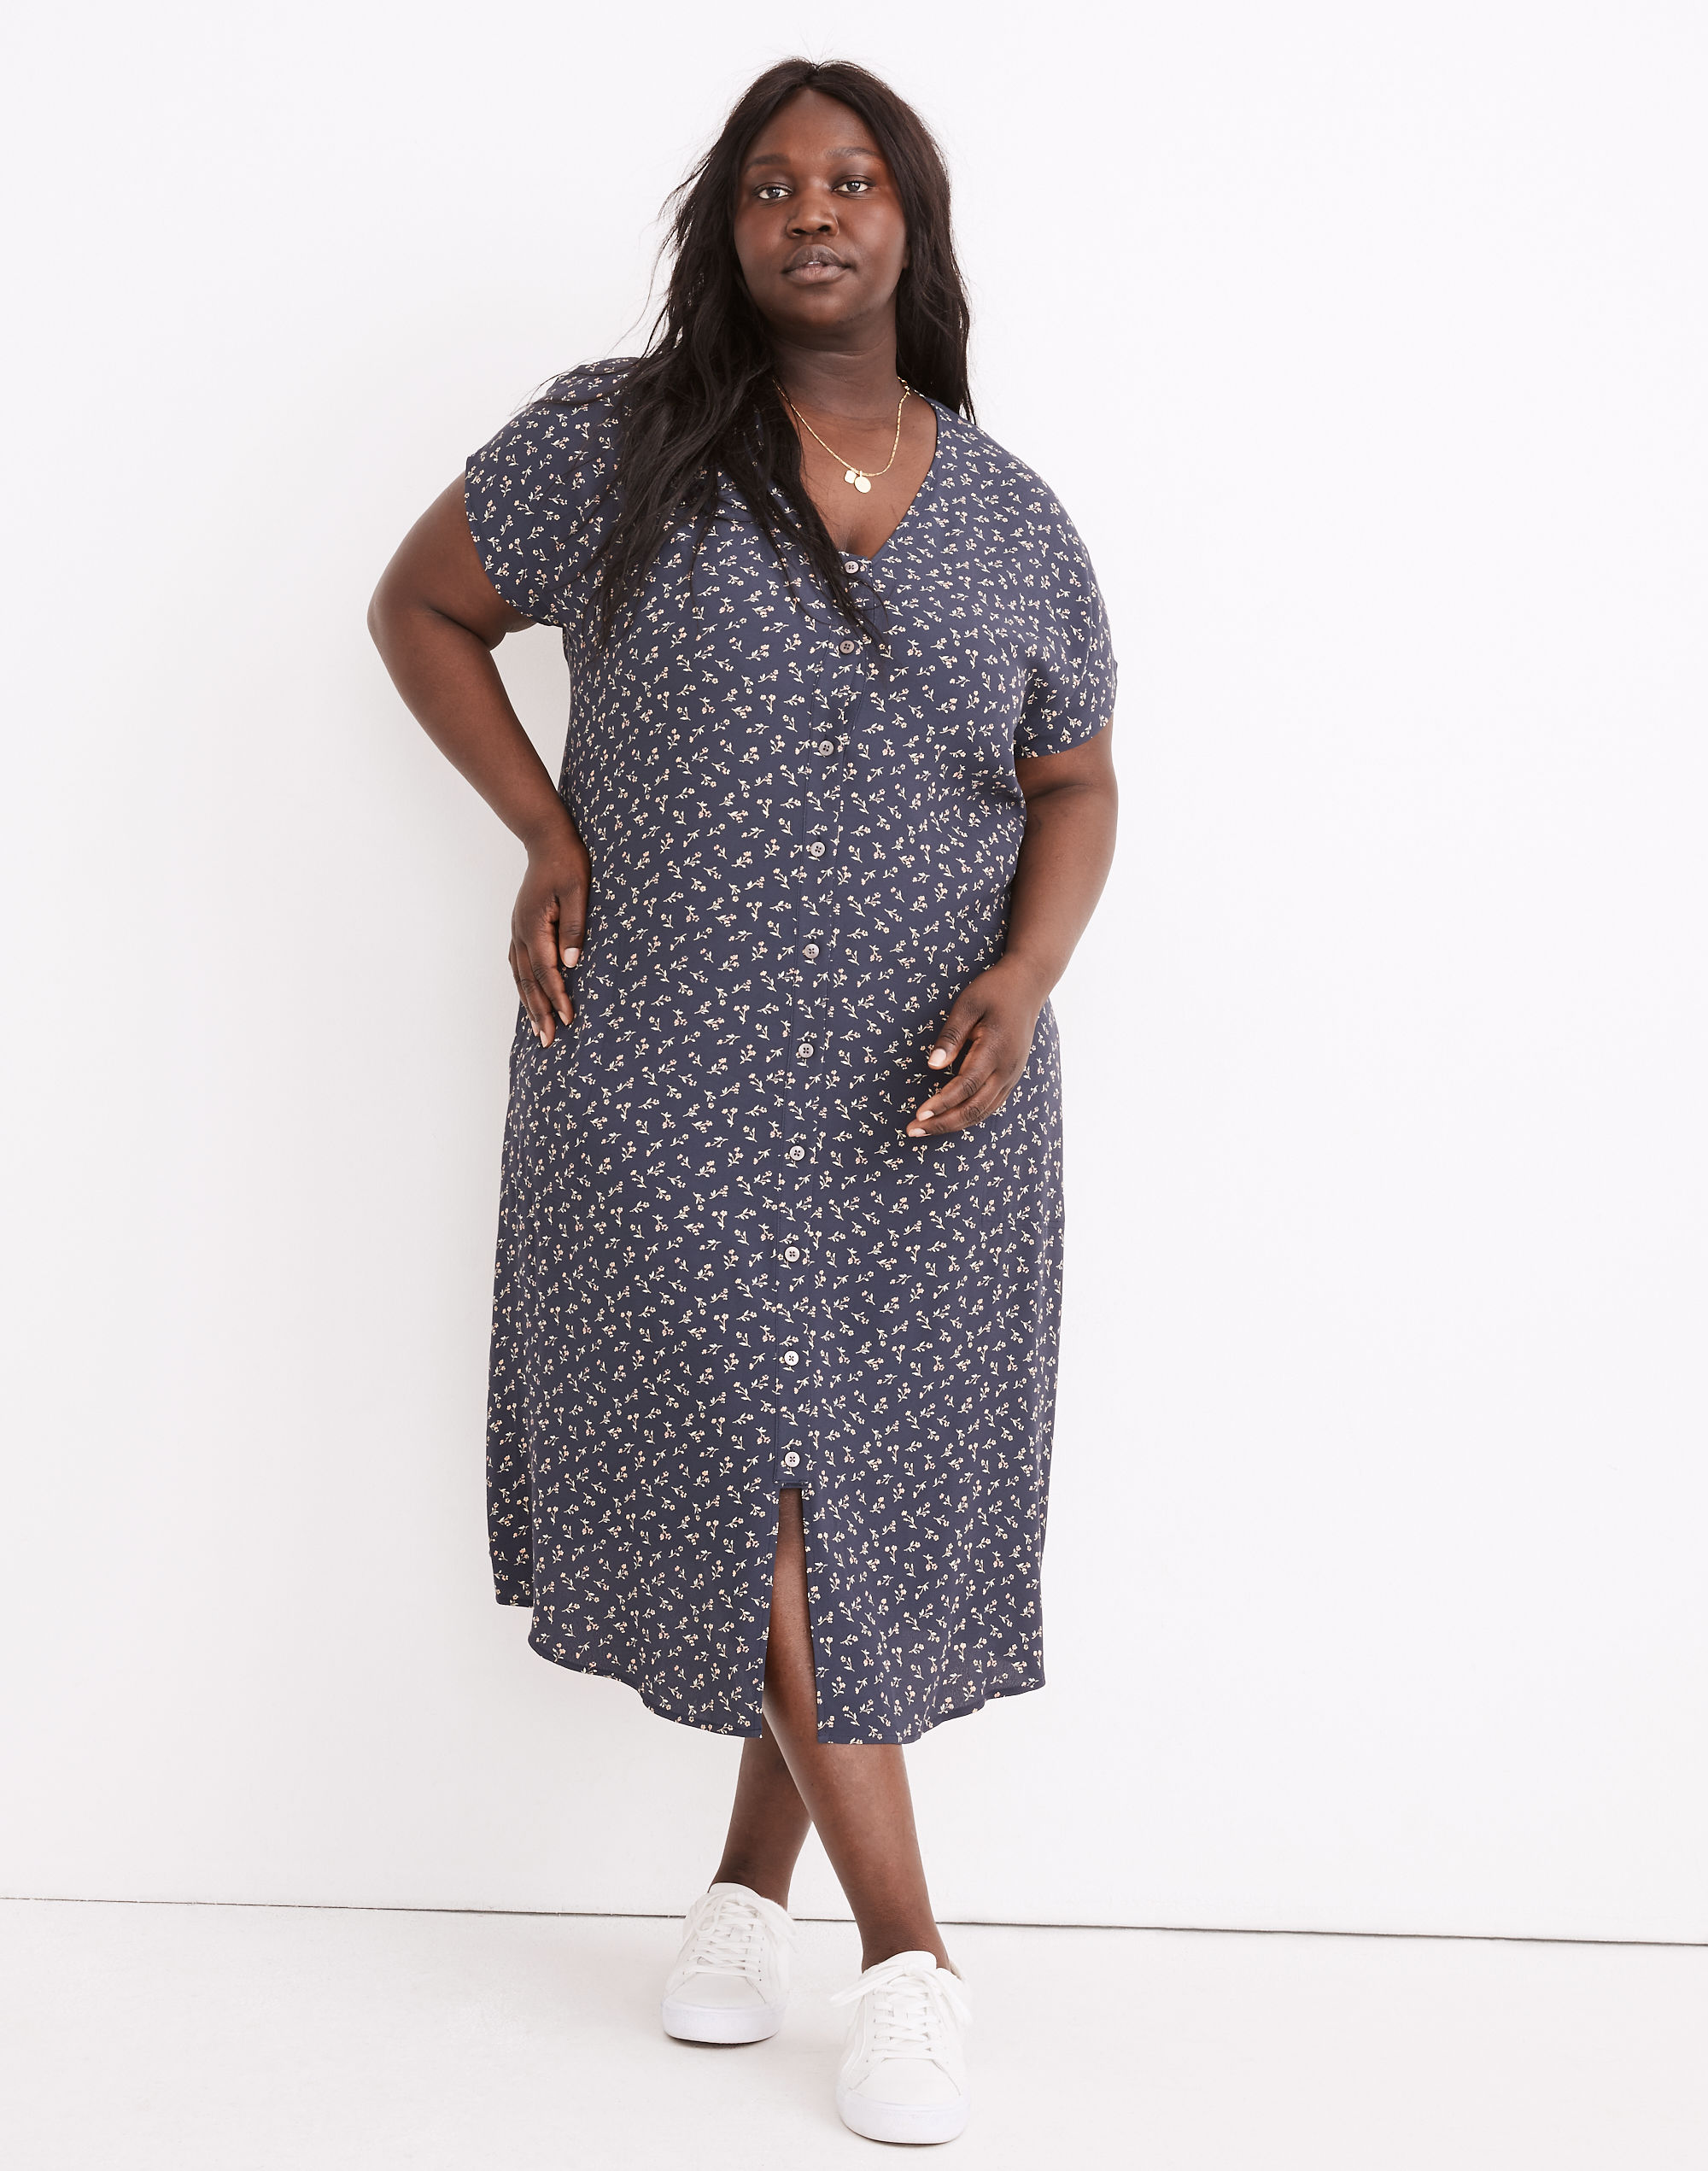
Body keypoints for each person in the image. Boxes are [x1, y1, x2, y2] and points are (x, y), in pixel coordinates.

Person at [368, 56, 1117, 2147]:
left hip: (931, 1095)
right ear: (728, 228)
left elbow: (1074, 778)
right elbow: (420, 607)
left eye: (854, 180)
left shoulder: (1013, 513)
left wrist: (1028, 972)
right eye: (774, 185)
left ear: (910, 224)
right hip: (657, 1066)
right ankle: (911, 1960)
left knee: (832, 1495)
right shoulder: (616, 442)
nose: (814, 212)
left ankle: (737, 1893)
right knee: (759, 1473)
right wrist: (543, 826)